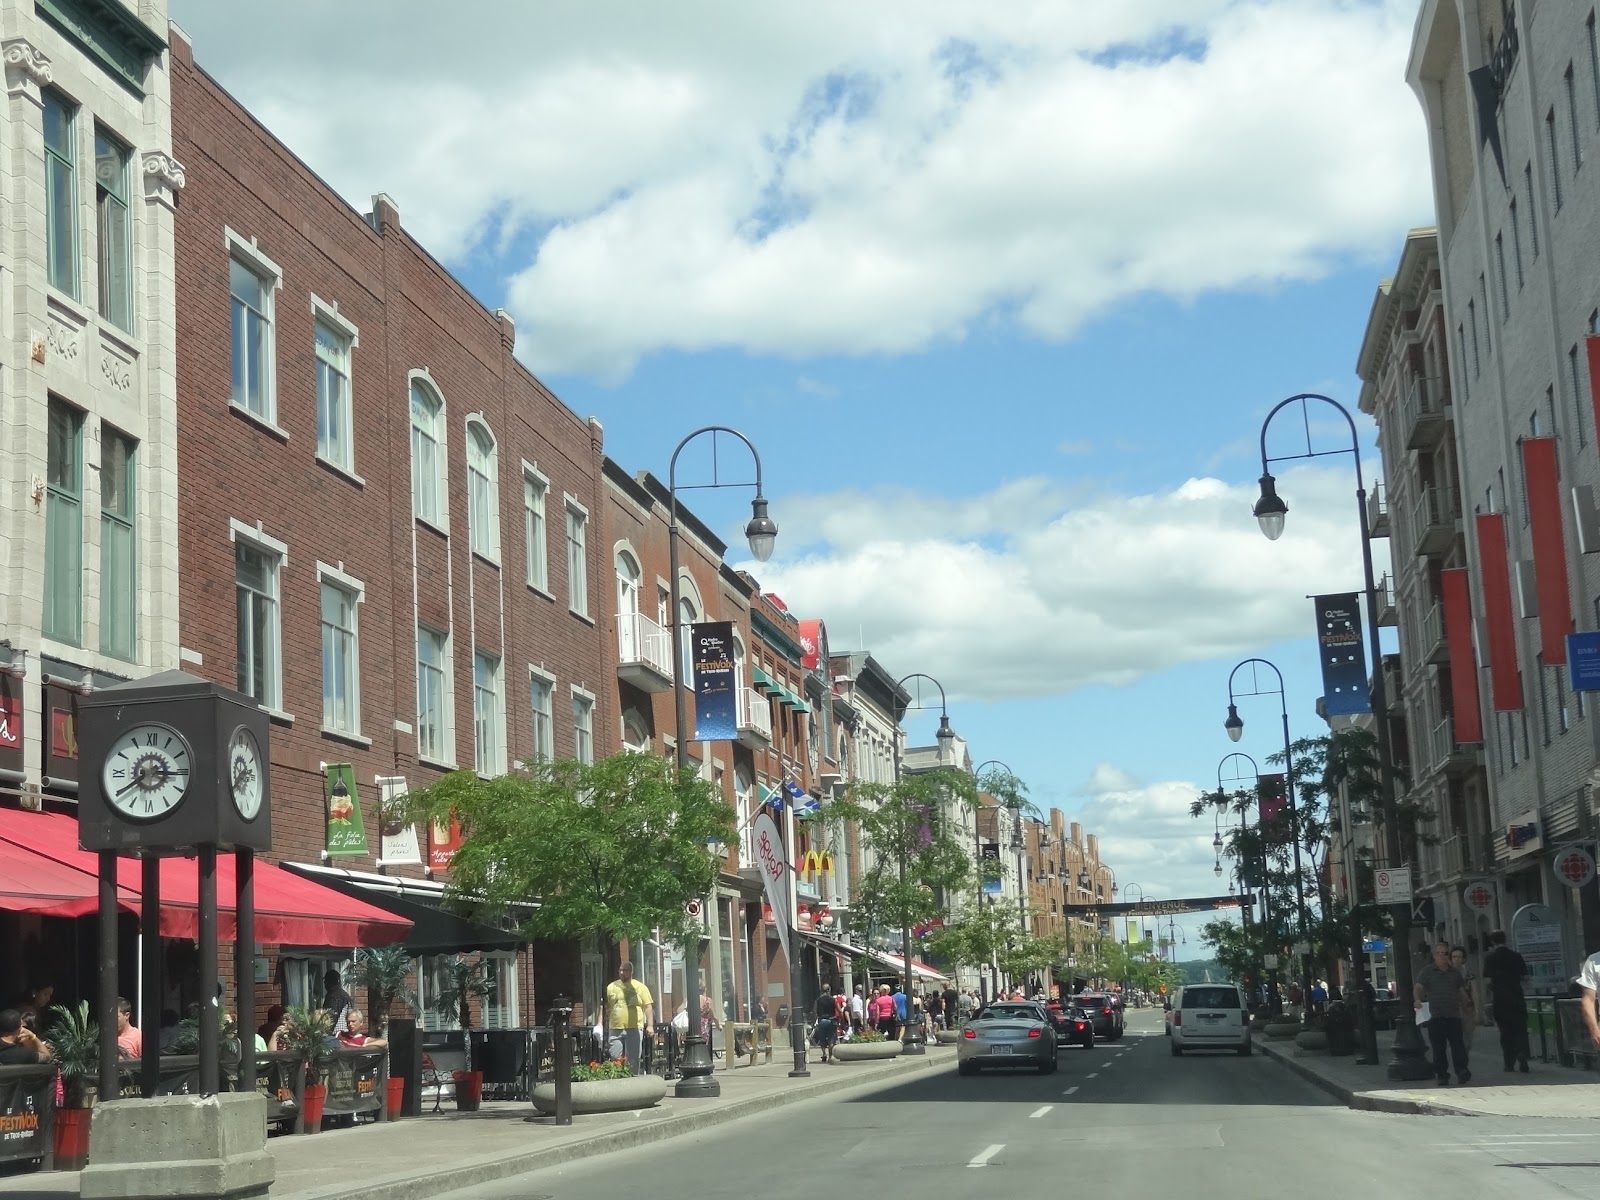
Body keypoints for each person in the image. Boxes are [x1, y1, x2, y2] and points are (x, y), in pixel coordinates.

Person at [1415, 941, 1471, 1086]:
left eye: (1445, 953)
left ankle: (1462, 1071)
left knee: (1458, 1046)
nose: (1442, 956)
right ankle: (1442, 1074)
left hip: (1453, 1015)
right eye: (1438, 953)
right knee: (1439, 1048)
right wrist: (1417, 999)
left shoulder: (1454, 973)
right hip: (1435, 1016)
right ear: (1434, 956)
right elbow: (1419, 987)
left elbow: (1461, 991)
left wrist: (1467, 1008)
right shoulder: (1427, 971)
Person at [1483, 929, 1531, 1072]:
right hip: (1517, 996)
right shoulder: (1516, 956)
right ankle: (1522, 1052)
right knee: (1520, 1029)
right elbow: (1526, 977)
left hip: (1500, 999)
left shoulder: (1490, 958)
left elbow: (1487, 981)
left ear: (1492, 941)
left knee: (1505, 1031)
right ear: (1505, 940)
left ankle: (1509, 1062)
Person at [605, 961, 654, 1075]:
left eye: (625, 970)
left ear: (631, 972)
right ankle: (618, 1083)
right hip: (615, 1028)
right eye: (620, 970)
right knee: (615, 1058)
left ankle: (632, 1083)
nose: (622, 973)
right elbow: (607, 1006)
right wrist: (601, 1023)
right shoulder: (611, 987)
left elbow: (647, 1006)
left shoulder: (640, 987)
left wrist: (650, 1026)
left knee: (633, 1059)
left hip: (634, 1028)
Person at [1450, 946, 1478, 1052]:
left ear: (1464, 959)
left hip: (1468, 1010)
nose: (1456, 959)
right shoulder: (1447, 975)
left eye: (1459, 957)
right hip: (1452, 1011)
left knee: (1467, 1041)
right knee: (1455, 1039)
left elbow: (1474, 992)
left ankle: (1463, 1061)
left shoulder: (1469, 975)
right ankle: (1460, 1063)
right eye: (1454, 957)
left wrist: (1478, 1011)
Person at [322, 968, 354, 1037]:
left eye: (325, 981)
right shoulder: (344, 994)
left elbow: (331, 1017)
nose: (324, 983)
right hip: (346, 1033)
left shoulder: (334, 996)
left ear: (329, 981)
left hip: (337, 1035)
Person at [812, 985, 838, 1062]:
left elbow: (814, 1012)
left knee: (822, 1039)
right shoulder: (833, 999)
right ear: (829, 989)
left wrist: (814, 1021)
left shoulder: (818, 1000)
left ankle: (824, 1054)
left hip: (822, 1020)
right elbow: (839, 1009)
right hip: (831, 1020)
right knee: (831, 1039)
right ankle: (830, 1056)